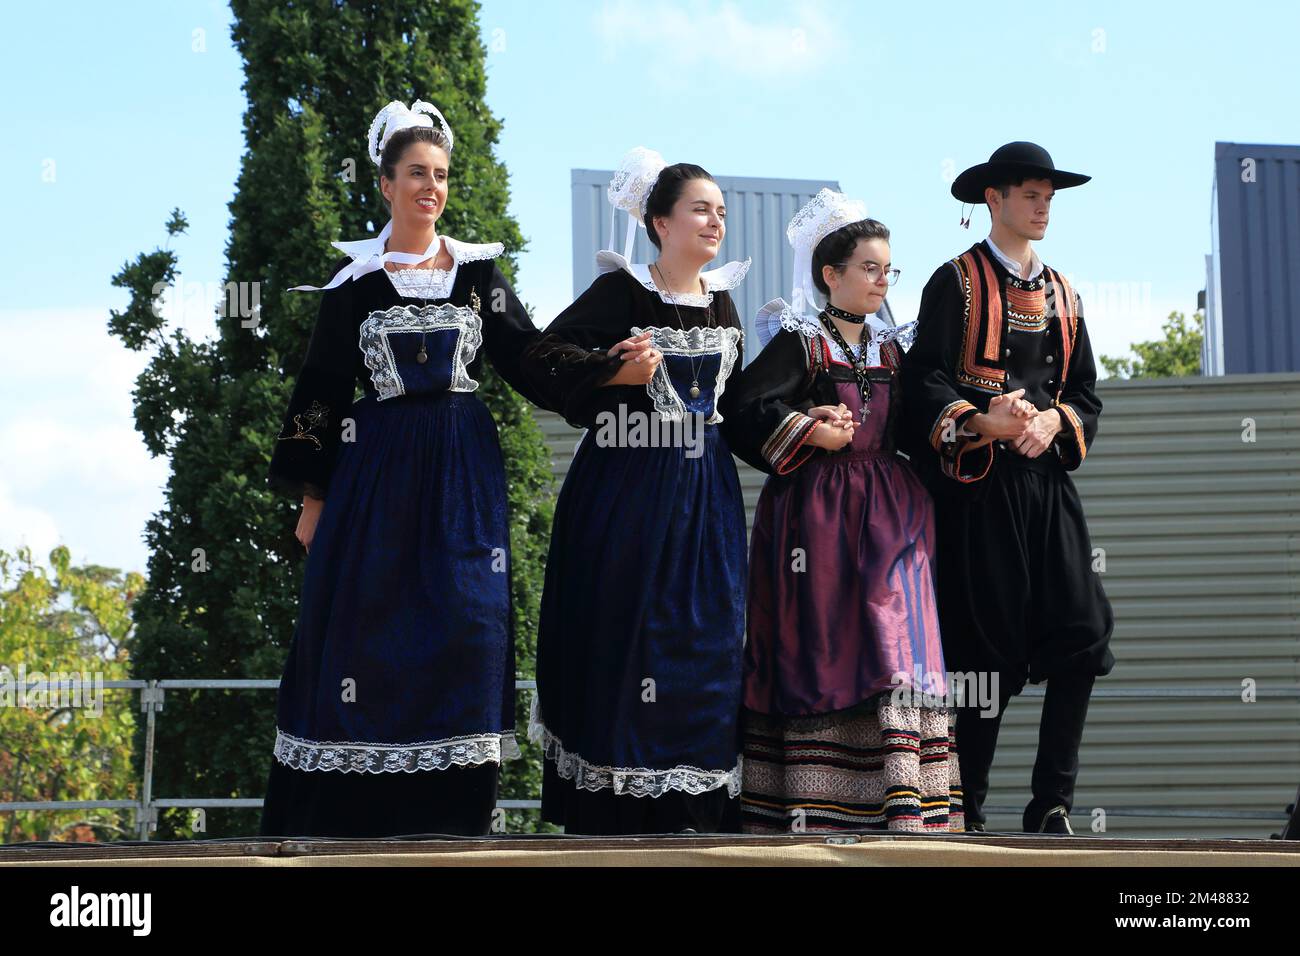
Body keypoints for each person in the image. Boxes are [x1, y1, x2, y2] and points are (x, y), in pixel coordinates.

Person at [259, 99, 544, 838]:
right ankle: (350, 818)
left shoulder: (480, 273)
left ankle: (453, 817)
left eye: (442, 174)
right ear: (385, 184)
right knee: (368, 632)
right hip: (377, 475)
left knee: (468, 626)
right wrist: (313, 495)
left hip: (462, 475)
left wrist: (609, 365)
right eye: (416, 172)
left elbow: (530, 356)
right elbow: (320, 387)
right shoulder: (354, 280)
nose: (431, 186)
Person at [521, 147, 751, 834]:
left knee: (706, 640)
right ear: (659, 221)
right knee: (628, 638)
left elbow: (740, 407)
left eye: (721, 210)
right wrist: (612, 370)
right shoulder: (622, 292)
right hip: (626, 494)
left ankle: (695, 813)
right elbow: (542, 358)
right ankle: (615, 814)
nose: (714, 220)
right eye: (699, 209)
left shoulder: (723, 301)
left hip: (706, 497)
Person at [725, 189, 963, 833]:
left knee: (896, 648)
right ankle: (815, 806)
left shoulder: (893, 350)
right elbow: (745, 410)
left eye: (889, 269)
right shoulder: (799, 343)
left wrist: (978, 424)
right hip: (817, 519)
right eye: (869, 268)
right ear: (830, 275)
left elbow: (919, 424)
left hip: (892, 515)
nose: (883, 280)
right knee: (825, 646)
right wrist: (809, 425)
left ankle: (904, 800)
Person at [900, 141, 1115, 834]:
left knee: (1083, 634)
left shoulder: (1065, 292)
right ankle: (969, 810)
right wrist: (982, 420)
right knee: (984, 655)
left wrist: (1053, 420)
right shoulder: (954, 282)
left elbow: (1085, 394)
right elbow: (922, 383)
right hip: (979, 491)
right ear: (993, 200)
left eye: (1049, 195)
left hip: (1047, 486)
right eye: (1030, 193)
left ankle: (1051, 804)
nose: (1043, 205)